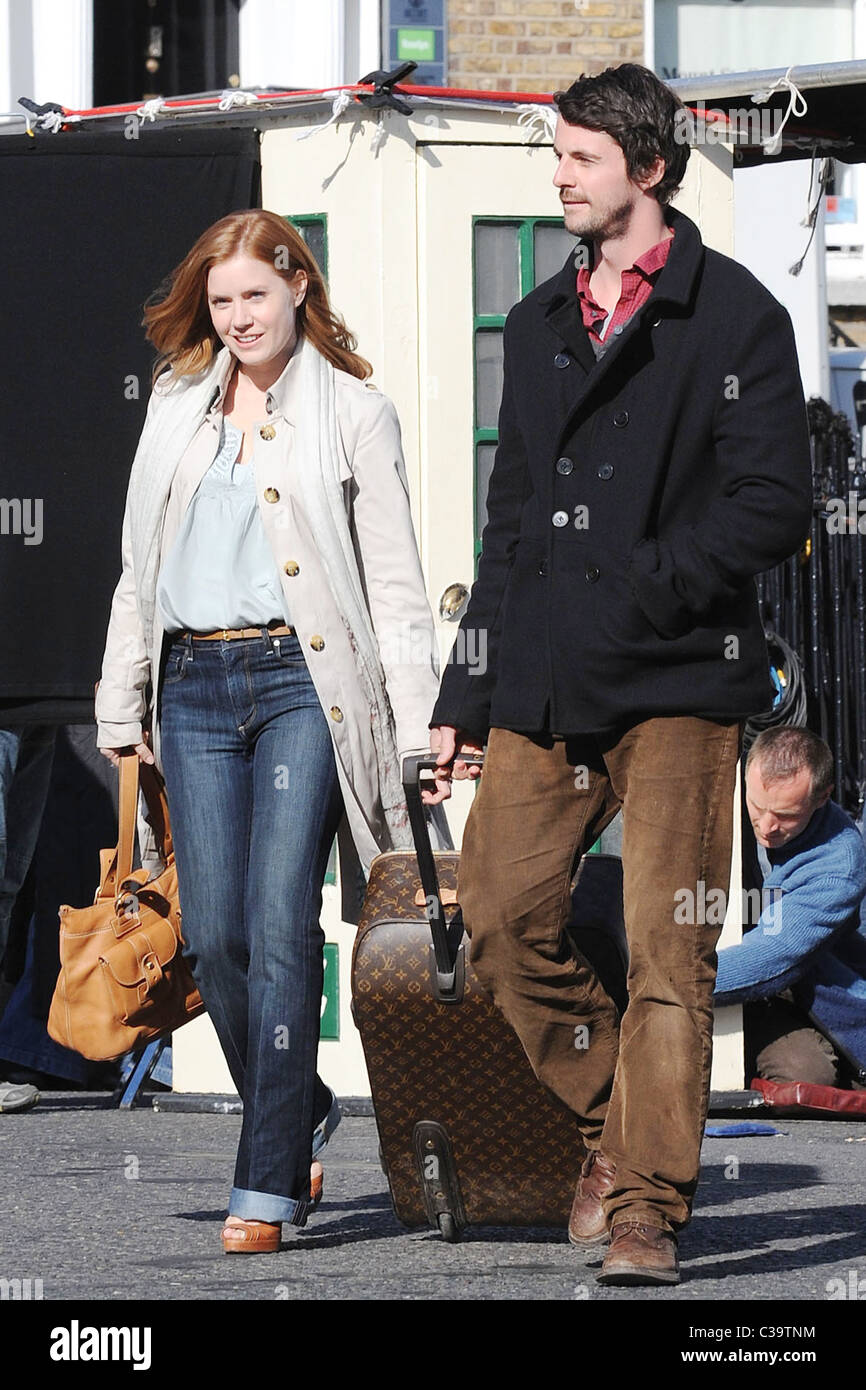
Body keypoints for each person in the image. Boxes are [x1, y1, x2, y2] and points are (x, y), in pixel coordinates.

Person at [423, 63, 813, 1285]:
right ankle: (610, 1123)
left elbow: (771, 508)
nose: (557, 176)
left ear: (645, 169)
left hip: (682, 681)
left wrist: (641, 585)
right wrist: (462, 693)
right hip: (541, 678)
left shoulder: (736, 315)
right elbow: (510, 528)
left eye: (577, 159)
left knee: (668, 950)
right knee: (499, 915)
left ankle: (646, 1201)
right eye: (555, 156)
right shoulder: (537, 325)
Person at [96, 210, 442, 1253]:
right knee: (216, 935)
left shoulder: (353, 412)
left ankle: (266, 1187)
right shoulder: (174, 404)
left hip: (303, 684)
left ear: (298, 287)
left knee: (283, 923)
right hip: (191, 685)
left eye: (255, 293)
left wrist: (422, 728)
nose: (238, 316)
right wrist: (122, 706)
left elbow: (394, 583)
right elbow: (137, 568)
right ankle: (295, 1109)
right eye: (220, 299)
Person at [715, 727, 866, 1089]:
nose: (766, 827)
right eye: (758, 807)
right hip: (736, 972)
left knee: (807, 1075)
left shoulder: (837, 868)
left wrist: (665, 984)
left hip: (797, 989)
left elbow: (770, 959)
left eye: (786, 816)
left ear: (821, 798)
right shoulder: (727, 794)